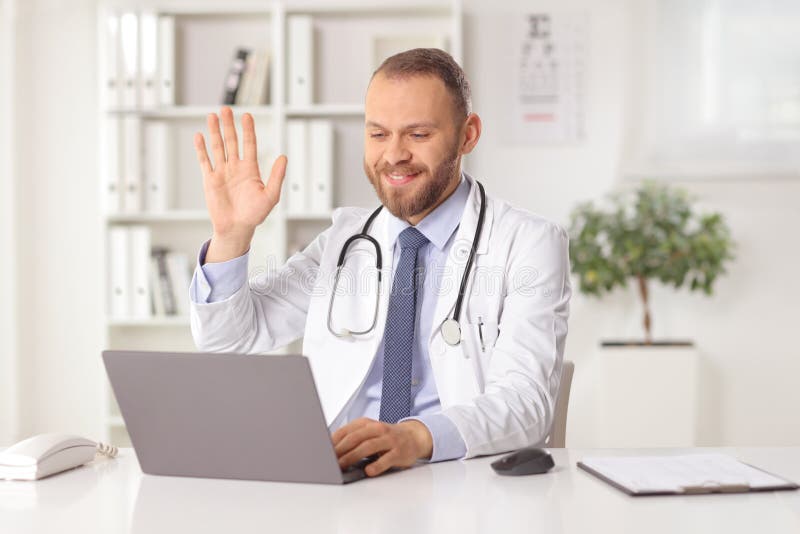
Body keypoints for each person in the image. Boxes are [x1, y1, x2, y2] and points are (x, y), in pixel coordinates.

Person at [190, 48, 571, 477]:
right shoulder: (344, 240)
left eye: (419, 135)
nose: (394, 155)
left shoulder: (529, 242)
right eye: (377, 134)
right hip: (340, 481)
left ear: (468, 134)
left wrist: (415, 437)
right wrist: (232, 235)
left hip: (455, 478)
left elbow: (527, 403)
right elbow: (229, 340)